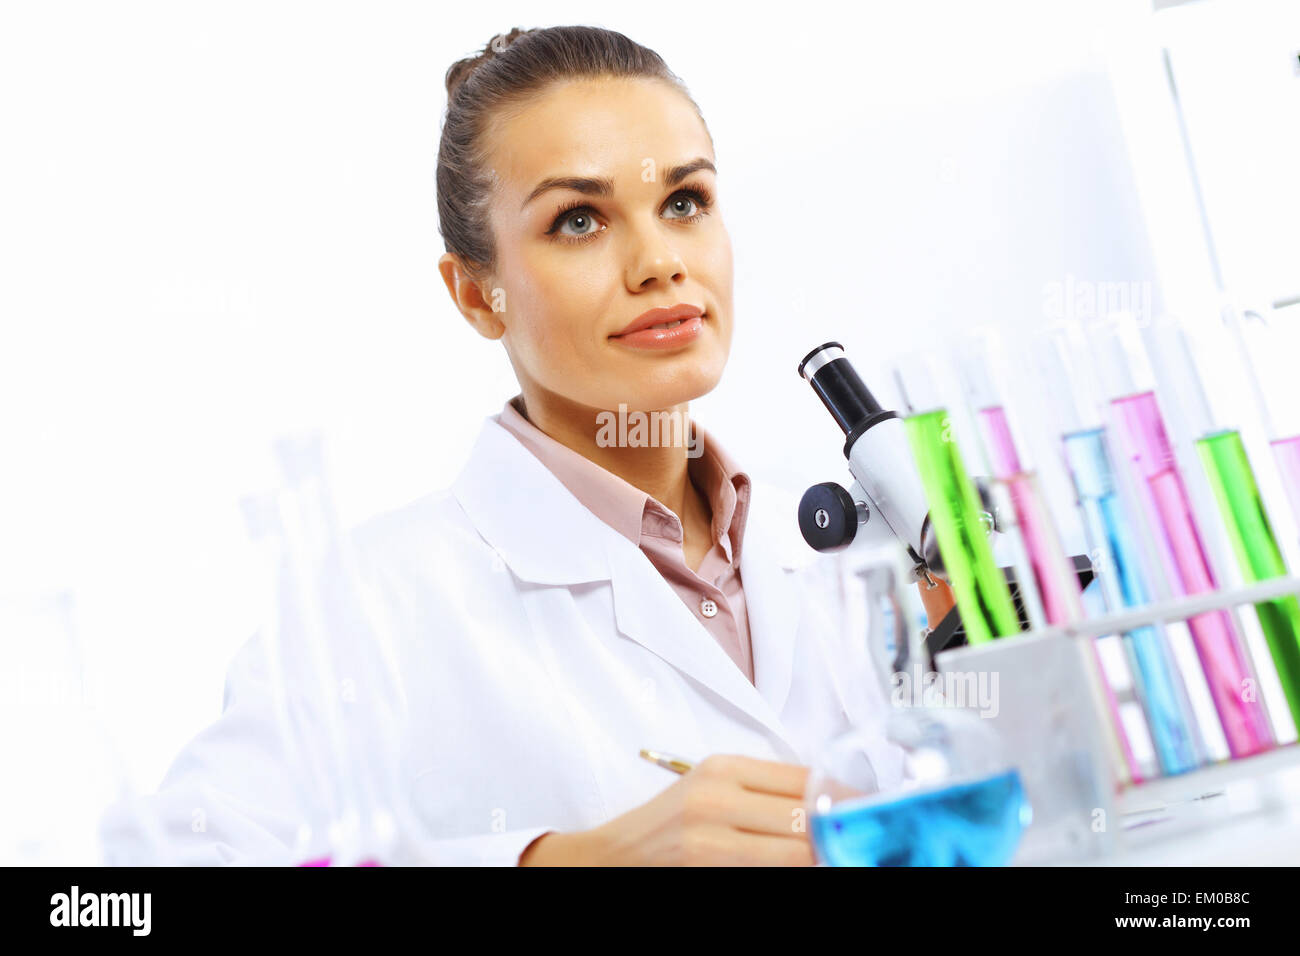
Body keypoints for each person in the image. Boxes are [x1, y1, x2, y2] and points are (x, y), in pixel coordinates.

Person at [99, 24, 956, 868]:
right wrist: (562, 863)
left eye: (684, 202)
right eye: (579, 220)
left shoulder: (848, 553)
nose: (659, 261)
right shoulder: (374, 604)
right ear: (477, 295)